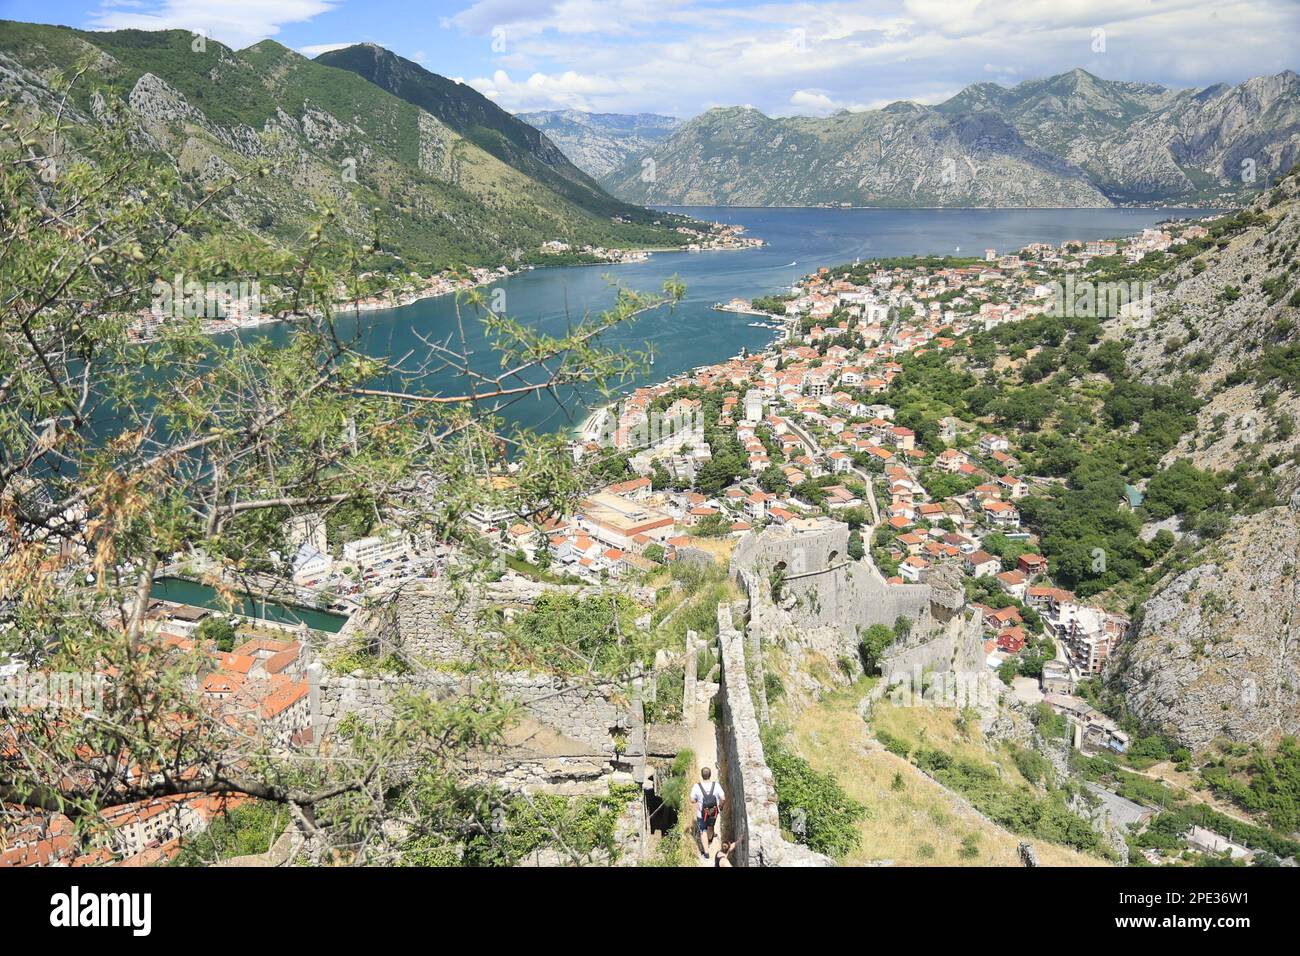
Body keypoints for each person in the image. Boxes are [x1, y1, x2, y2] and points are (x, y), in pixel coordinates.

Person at [689, 767, 726, 858]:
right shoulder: (716, 785)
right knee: (711, 826)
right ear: (710, 775)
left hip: (701, 814)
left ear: (701, 776)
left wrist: (697, 801)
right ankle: (710, 839)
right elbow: (723, 798)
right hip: (713, 812)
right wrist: (720, 806)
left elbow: (692, 800)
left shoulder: (697, 786)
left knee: (702, 831)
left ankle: (706, 853)